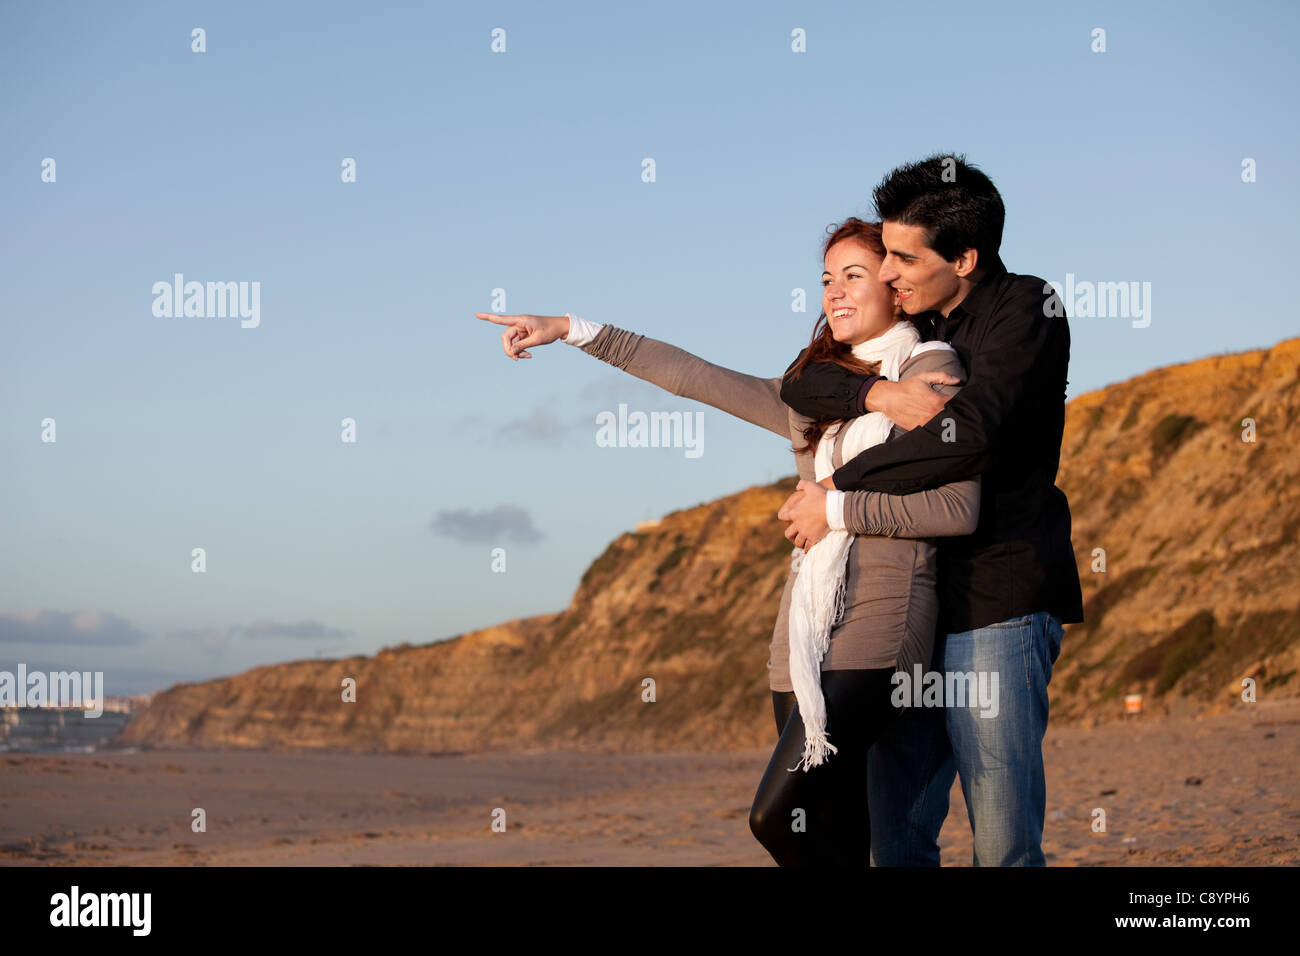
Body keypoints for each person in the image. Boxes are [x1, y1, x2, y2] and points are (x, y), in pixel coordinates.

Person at [476, 218, 979, 866]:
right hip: (799, 638)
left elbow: (957, 509)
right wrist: (570, 329)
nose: (835, 292)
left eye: (854, 275)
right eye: (827, 279)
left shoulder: (930, 373)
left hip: (882, 623)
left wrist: (840, 509)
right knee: (835, 825)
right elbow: (691, 375)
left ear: (894, 282)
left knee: (776, 819)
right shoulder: (814, 393)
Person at [777, 154, 1085, 866]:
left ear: (967, 257)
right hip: (915, 613)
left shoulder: (1028, 309)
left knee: (1003, 843)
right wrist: (875, 396)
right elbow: (804, 381)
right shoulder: (917, 333)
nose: (886, 273)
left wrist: (840, 496)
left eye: (903, 258)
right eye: (882, 254)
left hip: (997, 602)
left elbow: (965, 434)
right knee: (897, 838)